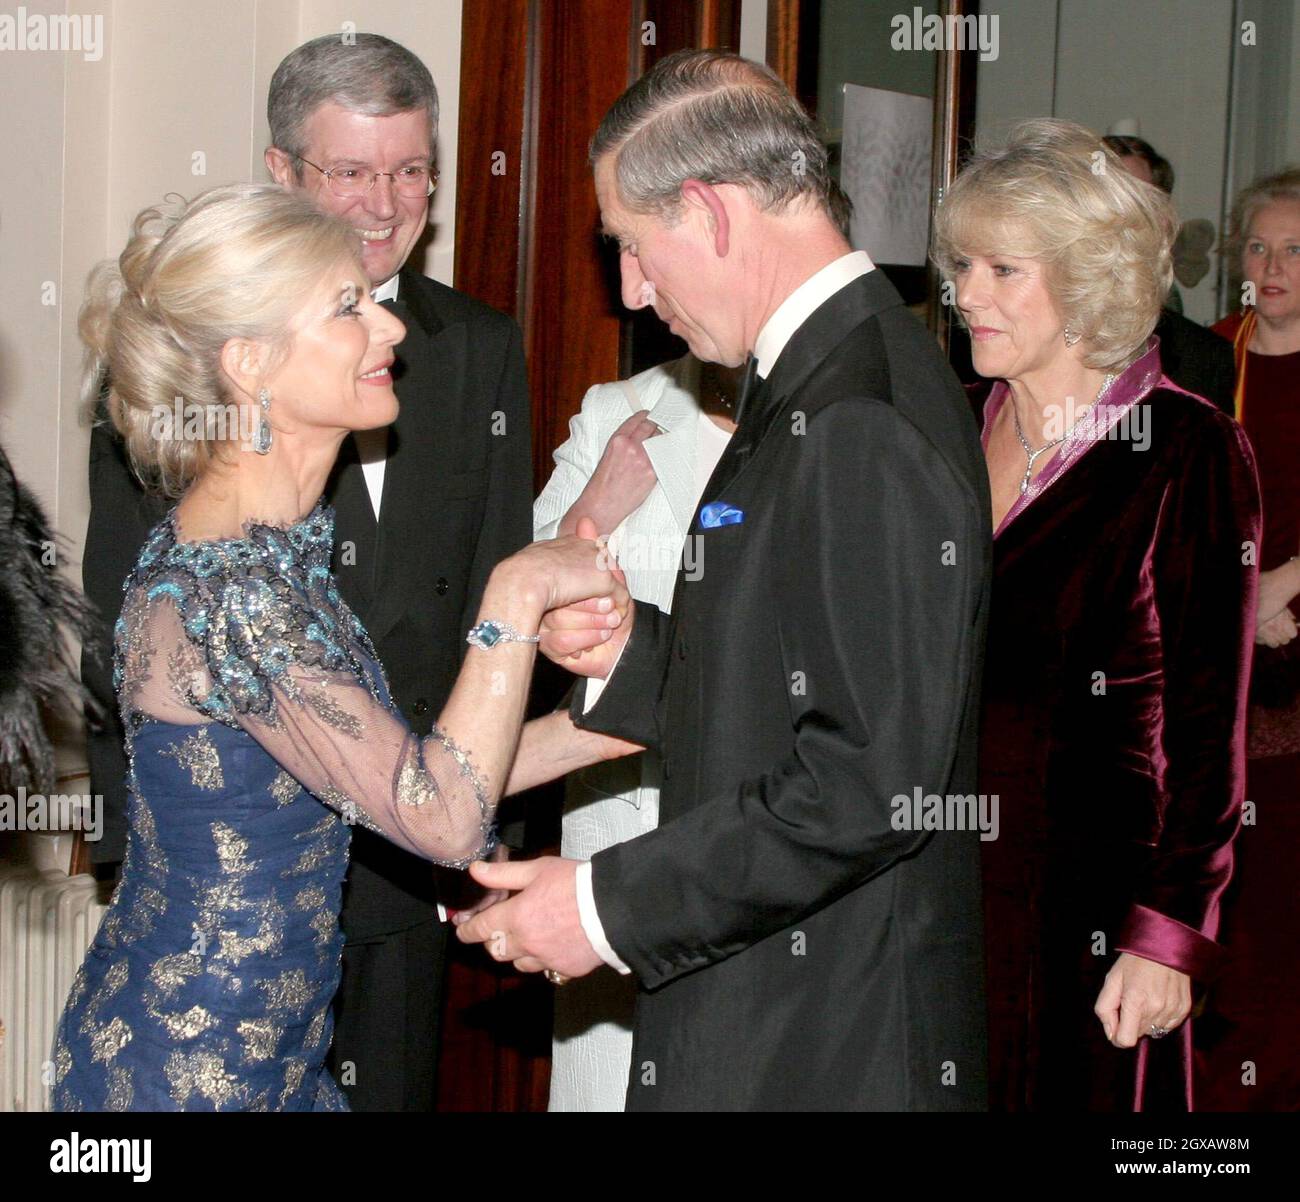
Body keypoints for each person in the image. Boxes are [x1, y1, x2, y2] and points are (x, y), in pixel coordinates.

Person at [457, 49, 992, 1112]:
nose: (631, 291)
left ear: (705, 210)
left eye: (631, 247)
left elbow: (866, 780)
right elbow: (798, 689)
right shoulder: (821, 369)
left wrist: (604, 905)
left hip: (829, 1041)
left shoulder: (856, 411)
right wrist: (634, 651)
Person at [53, 183, 629, 1112]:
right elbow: (440, 817)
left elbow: (410, 772)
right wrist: (517, 592)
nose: (391, 329)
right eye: (349, 307)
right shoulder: (237, 591)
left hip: (260, 1064)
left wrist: (632, 713)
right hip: (191, 1080)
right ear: (251, 366)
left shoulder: (264, 553)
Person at [933, 120, 1260, 1111]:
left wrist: (1167, 933)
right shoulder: (947, 427)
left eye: (1001, 267)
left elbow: (1212, 728)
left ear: (1083, 283)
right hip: (935, 886)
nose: (965, 293)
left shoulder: (1184, 449)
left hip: (1092, 902)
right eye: (959, 264)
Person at [530, 355, 737, 1111]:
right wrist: (596, 503)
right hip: (617, 822)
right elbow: (512, 604)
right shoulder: (621, 408)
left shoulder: (819, 415)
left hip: (748, 832)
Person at [1196, 165, 1300, 1111]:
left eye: (1294, 250)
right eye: (1259, 246)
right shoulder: (1211, 354)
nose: (1271, 265)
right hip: (1216, 644)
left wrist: (1282, 588)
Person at [1104, 133, 1236, 411]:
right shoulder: (1024, 335)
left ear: (1163, 223)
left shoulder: (1203, 357)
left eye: (1137, 202)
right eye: (1104, 197)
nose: (1117, 218)